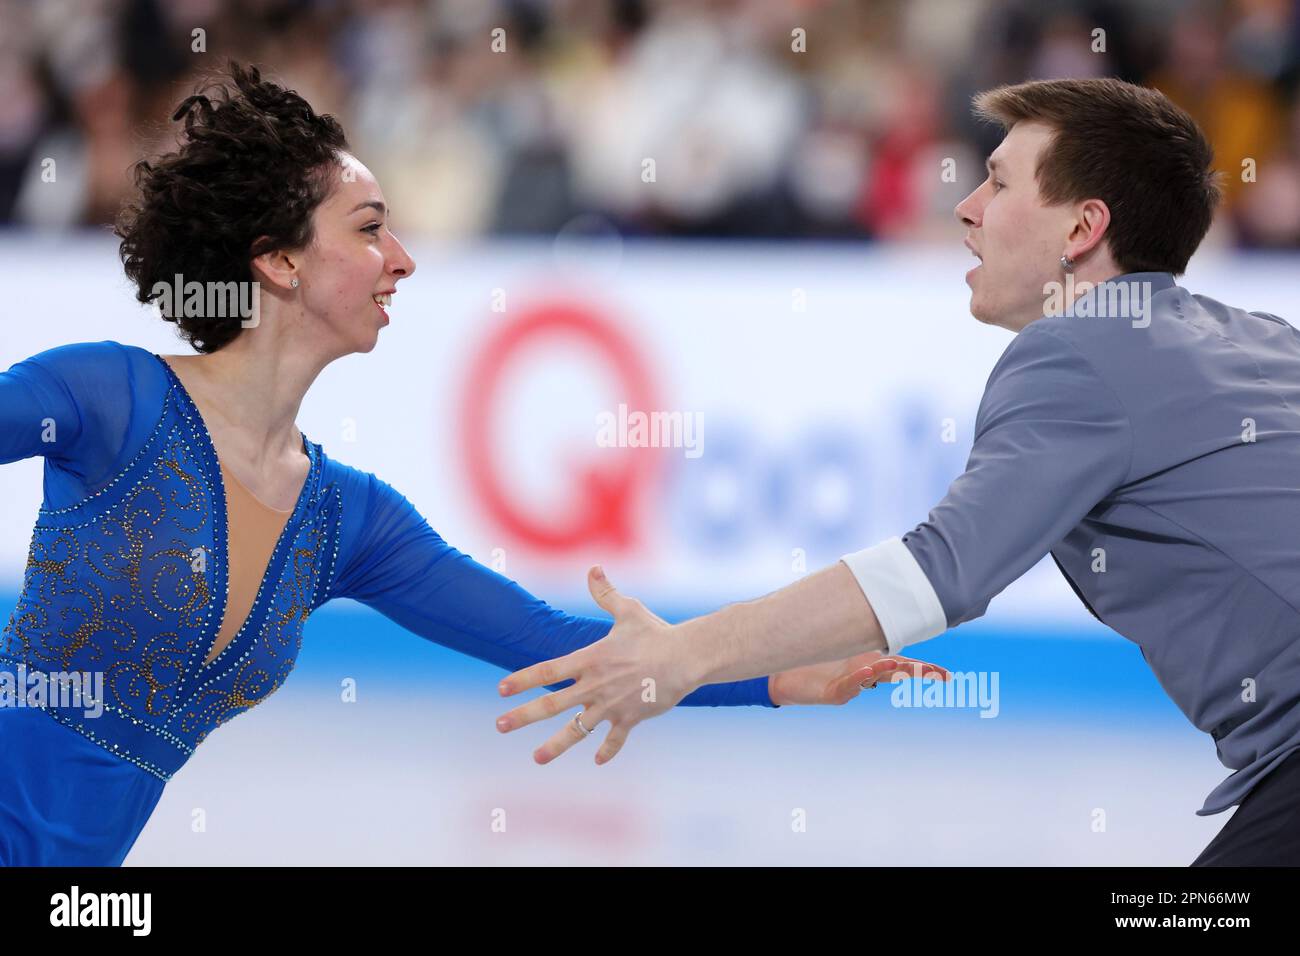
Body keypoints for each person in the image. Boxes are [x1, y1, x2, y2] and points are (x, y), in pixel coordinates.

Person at [0, 61, 947, 867]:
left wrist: (782, 679)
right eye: (369, 228)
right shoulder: (106, 399)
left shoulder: (344, 520)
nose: (402, 260)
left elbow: (542, 640)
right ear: (280, 263)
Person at [497, 77, 1300, 866]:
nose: (966, 206)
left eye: (998, 181)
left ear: (1083, 228)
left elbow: (934, 575)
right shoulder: (1264, 339)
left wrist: (682, 655)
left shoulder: (1079, 349)